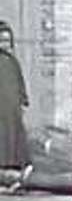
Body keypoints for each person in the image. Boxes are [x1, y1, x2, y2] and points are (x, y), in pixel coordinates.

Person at [0, 22, 32, 192]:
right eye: (1, 41)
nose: (4, 44)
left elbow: (19, 81)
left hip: (13, 108)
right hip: (1, 109)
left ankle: (17, 167)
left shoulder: (13, 61)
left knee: (16, 136)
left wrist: (24, 99)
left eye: (7, 41)